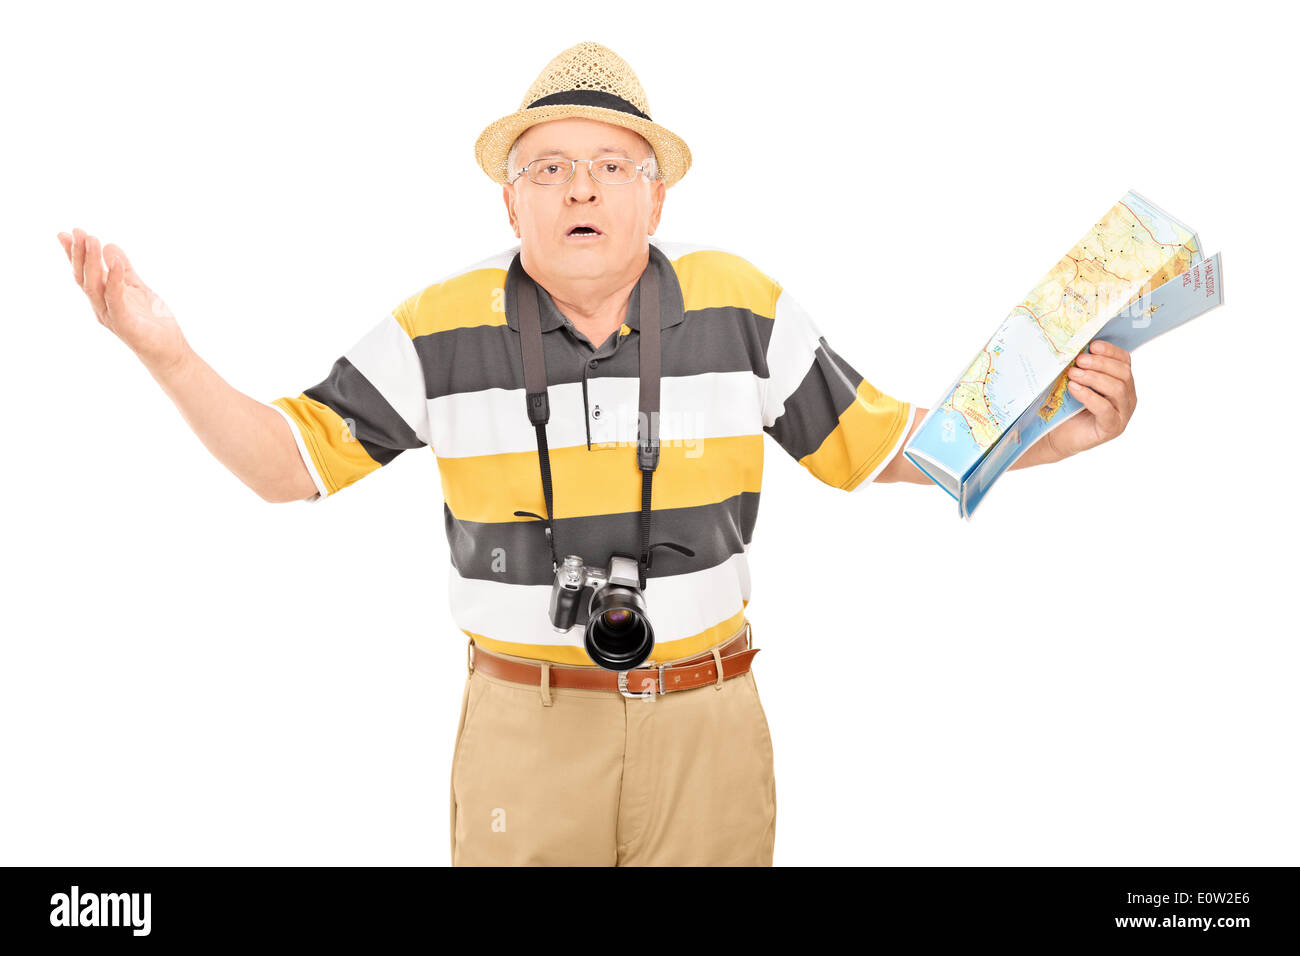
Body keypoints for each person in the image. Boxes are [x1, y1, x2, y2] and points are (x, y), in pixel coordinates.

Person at [56, 41, 1138, 866]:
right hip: (523, 726)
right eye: (552, 167)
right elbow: (290, 461)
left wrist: (1060, 429)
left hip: (709, 723)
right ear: (509, 196)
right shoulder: (439, 323)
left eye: (613, 165)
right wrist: (167, 351)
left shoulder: (738, 305)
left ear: (656, 193)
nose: (582, 189)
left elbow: (886, 445)